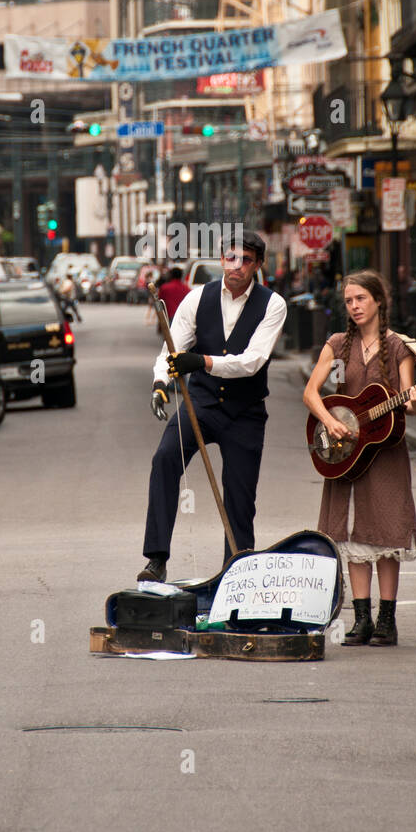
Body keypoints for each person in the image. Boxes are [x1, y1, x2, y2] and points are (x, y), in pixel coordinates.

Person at [138, 231, 287, 581]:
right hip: (200, 406)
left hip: (244, 413)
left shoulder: (273, 304)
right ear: (222, 259)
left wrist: (202, 361)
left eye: (246, 260)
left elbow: (252, 361)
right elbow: (171, 351)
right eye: (232, 257)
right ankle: (156, 559)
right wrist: (161, 383)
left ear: (258, 266)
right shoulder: (196, 299)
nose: (237, 266)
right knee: (164, 459)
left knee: (239, 498)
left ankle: (236, 573)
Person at [303, 270, 416, 646]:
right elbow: (311, 392)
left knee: (386, 529)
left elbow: (413, 402)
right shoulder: (337, 344)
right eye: (349, 301)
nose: (354, 306)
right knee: (353, 529)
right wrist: (329, 421)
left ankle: (386, 620)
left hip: (385, 449)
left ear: (378, 301)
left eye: (360, 299)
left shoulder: (400, 346)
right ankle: (361, 619)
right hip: (345, 449)